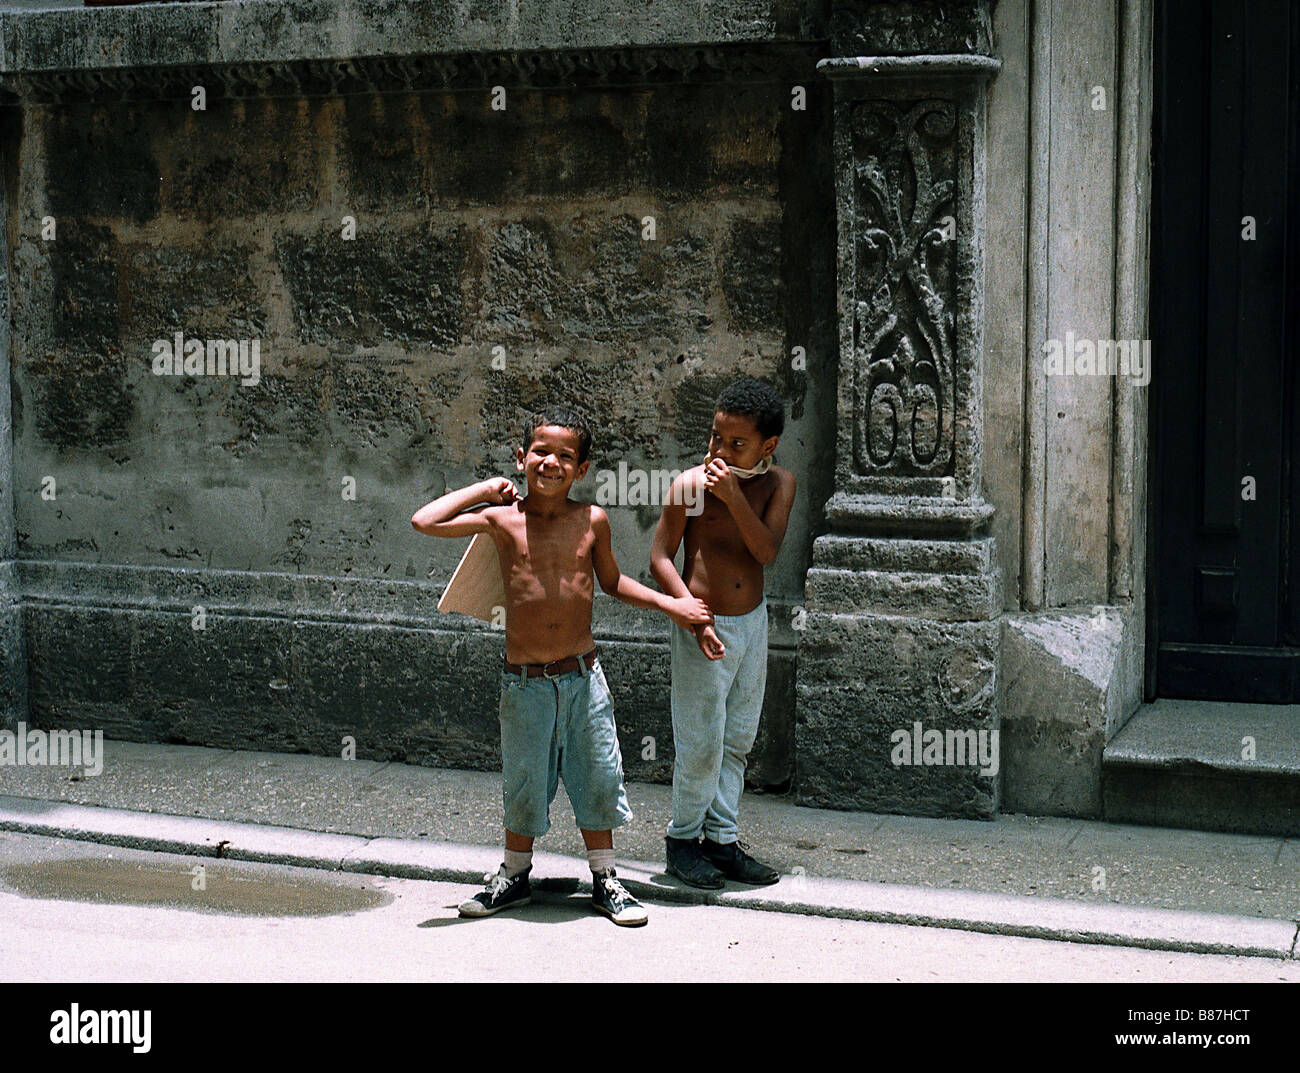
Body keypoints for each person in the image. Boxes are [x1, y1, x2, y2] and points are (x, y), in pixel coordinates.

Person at [411, 405, 712, 926]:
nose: (550, 462)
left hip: (582, 678)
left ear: (582, 470)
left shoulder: (590, 520)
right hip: (523, 682)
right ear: (522, 457)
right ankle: (513, 875)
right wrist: (486, 488)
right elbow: (424, 520)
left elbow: (615, 583)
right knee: (525, 780)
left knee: (597, 775)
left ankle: (606, 879)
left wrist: (676, 608)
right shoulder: (501, 519)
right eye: (540, 452)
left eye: (565, 456)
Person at [650, 378, 796, 889]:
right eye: (716, 438)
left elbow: (765, 552)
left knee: (736, 739)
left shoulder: (779, 485)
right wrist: (687, 608)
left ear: (768, 447)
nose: (719, 451)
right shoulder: (690, 486)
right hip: (702, 626)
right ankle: (683, 841)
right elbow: (659, 557)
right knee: (701, 742)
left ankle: (722, 840)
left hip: (752, 624)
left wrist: (735, 497)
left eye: (736, 444)